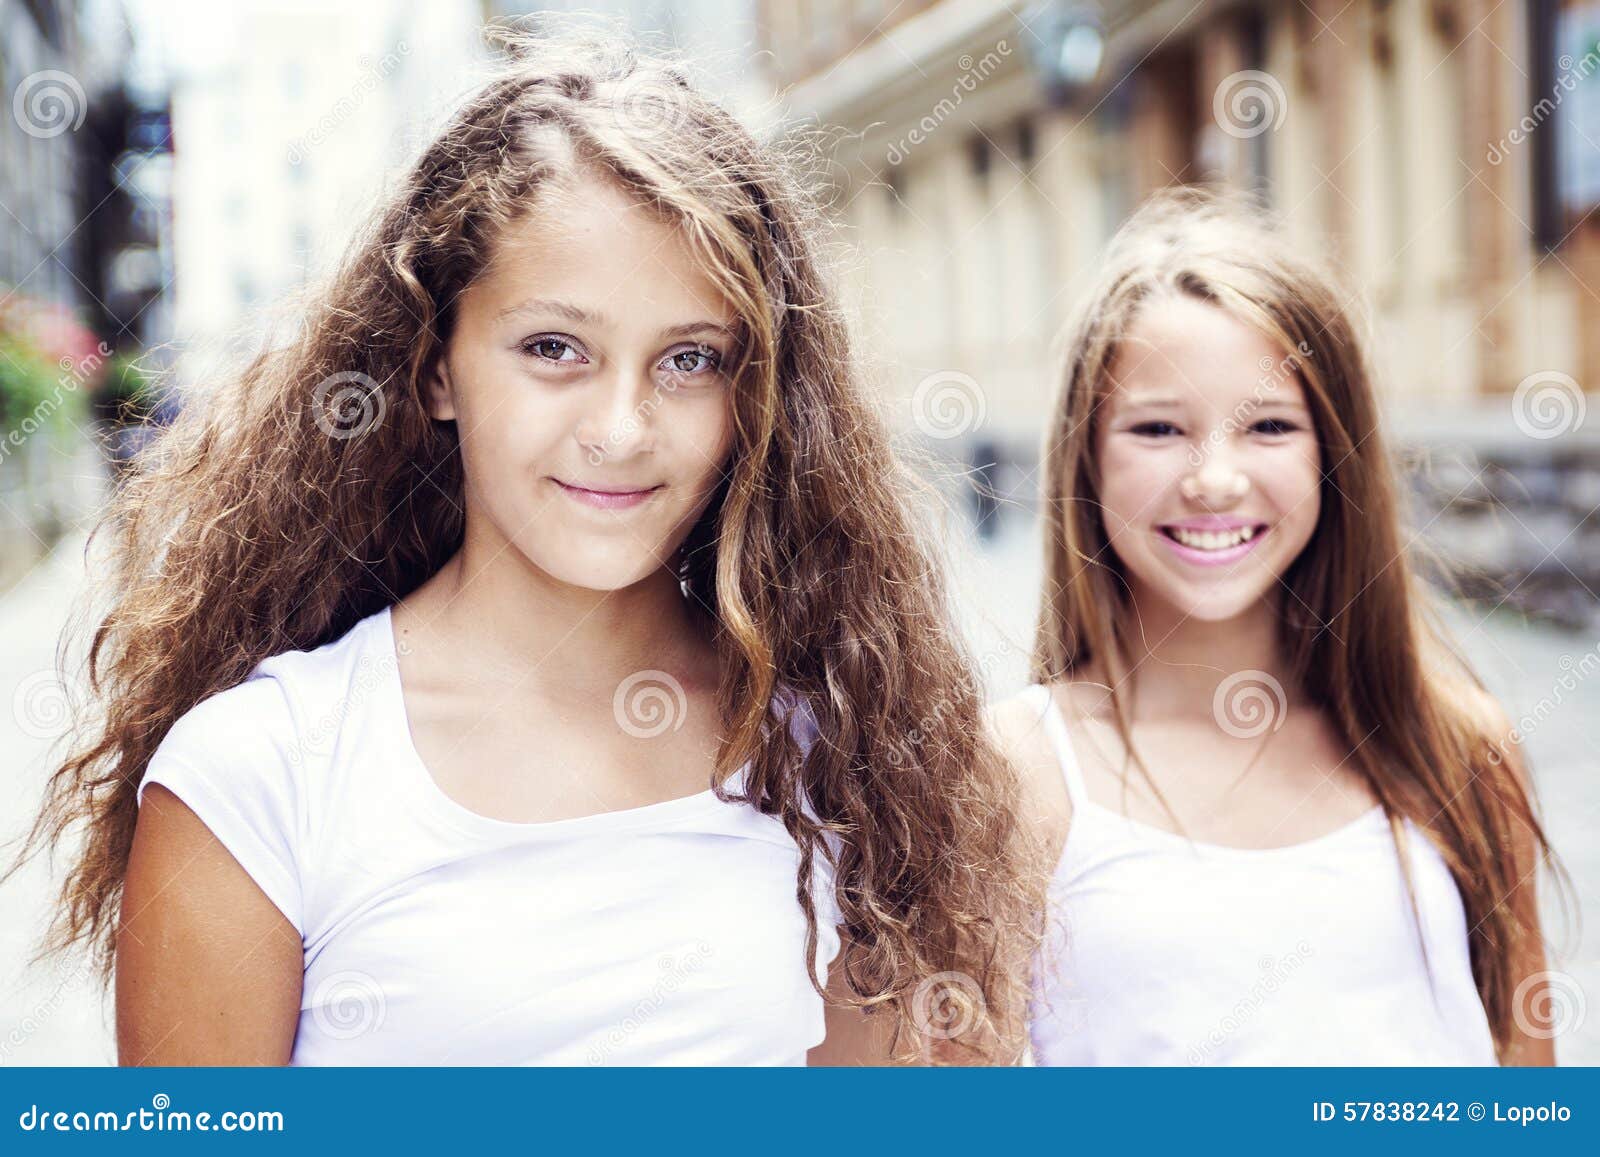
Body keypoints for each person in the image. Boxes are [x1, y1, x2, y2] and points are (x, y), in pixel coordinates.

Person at [13, 27, 1038, 1066]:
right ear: (435, 368)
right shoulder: (262, 775)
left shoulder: (834, 748)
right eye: (555, 348)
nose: (623, 426)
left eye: (689, 358)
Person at [991, 187, 1565, 1066]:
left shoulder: (1458, 749)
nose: (1213, 478)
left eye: (1267, 425)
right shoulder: (1016, 772)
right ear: (1085, 456)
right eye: (1157, 427)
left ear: (1334, 455)